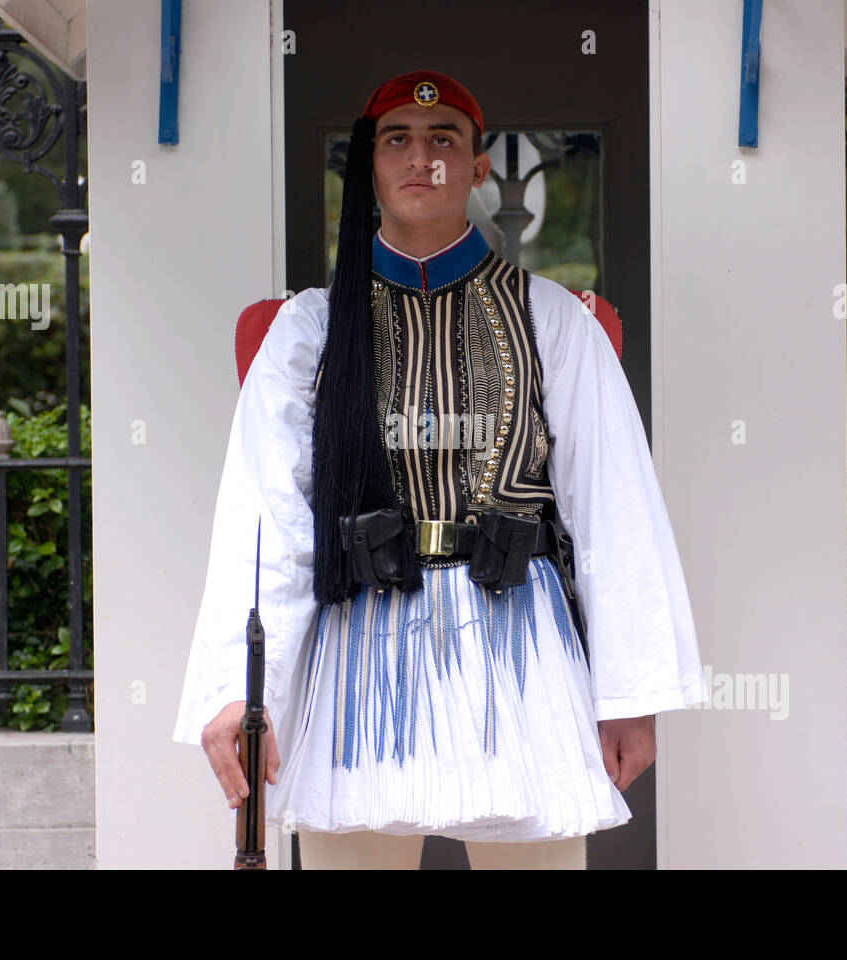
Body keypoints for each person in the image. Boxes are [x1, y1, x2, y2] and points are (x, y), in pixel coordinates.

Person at [173, 69, 706, 869]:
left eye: (443, 140)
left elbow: (613, 507)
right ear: (371, 166)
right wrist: (244, 693)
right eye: (397, 141)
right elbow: (266, 518)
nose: (421, 159)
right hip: (359, 641)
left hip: (517, 640)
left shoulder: (554, 319)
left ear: (480, 165)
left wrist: (628, 697)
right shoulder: (306, 331)